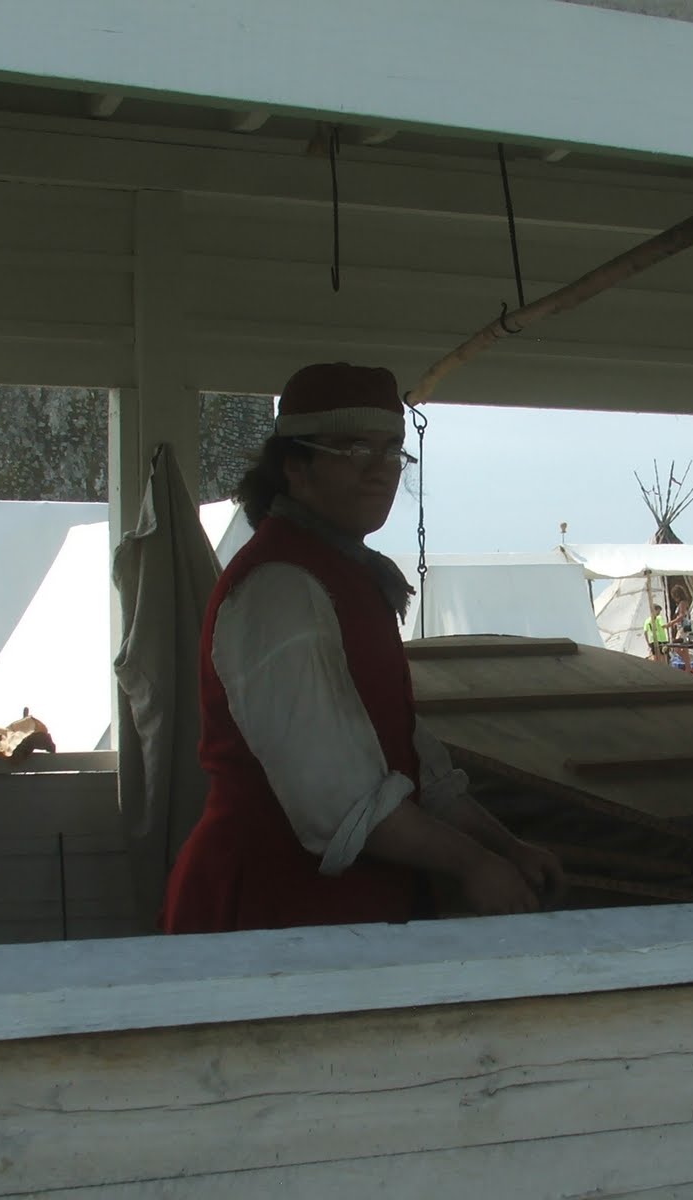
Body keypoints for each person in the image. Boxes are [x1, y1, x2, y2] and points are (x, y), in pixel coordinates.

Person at [161, 363, 564, 933]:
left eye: (392, 452)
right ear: (296, 468)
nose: (381, 473)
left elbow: (408, 758)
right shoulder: (280, 590)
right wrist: (475, 864)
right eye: (354, 451)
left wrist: (506, 846)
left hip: (344, 916)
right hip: (267, 915)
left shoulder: (349, 576)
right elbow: (347, 800)